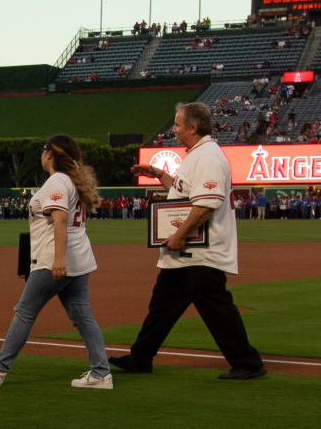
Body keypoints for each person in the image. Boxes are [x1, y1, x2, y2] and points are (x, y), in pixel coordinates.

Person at [112, 102, 267, 380]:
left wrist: (179, 235)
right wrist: (160, 175)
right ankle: (141, 357)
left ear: (193, 127)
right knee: (162, 306)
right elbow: (183, 193)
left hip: (200, 251)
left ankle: (248, 363)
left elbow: (207, 204)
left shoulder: (208, 156)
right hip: (189, 252)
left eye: (178, 124)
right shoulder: (197, 155)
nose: (174, 129)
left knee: (216, 308)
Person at [0, 135, 111, 388]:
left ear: (51, 154)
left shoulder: (57, 181)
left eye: (44, 150)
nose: (41, 154)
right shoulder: (72, 181)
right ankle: (101, 373)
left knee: (25, 311)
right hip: (80, 258)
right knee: (82, 315)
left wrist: (58, 259)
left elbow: (60, 220)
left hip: (55, 258)